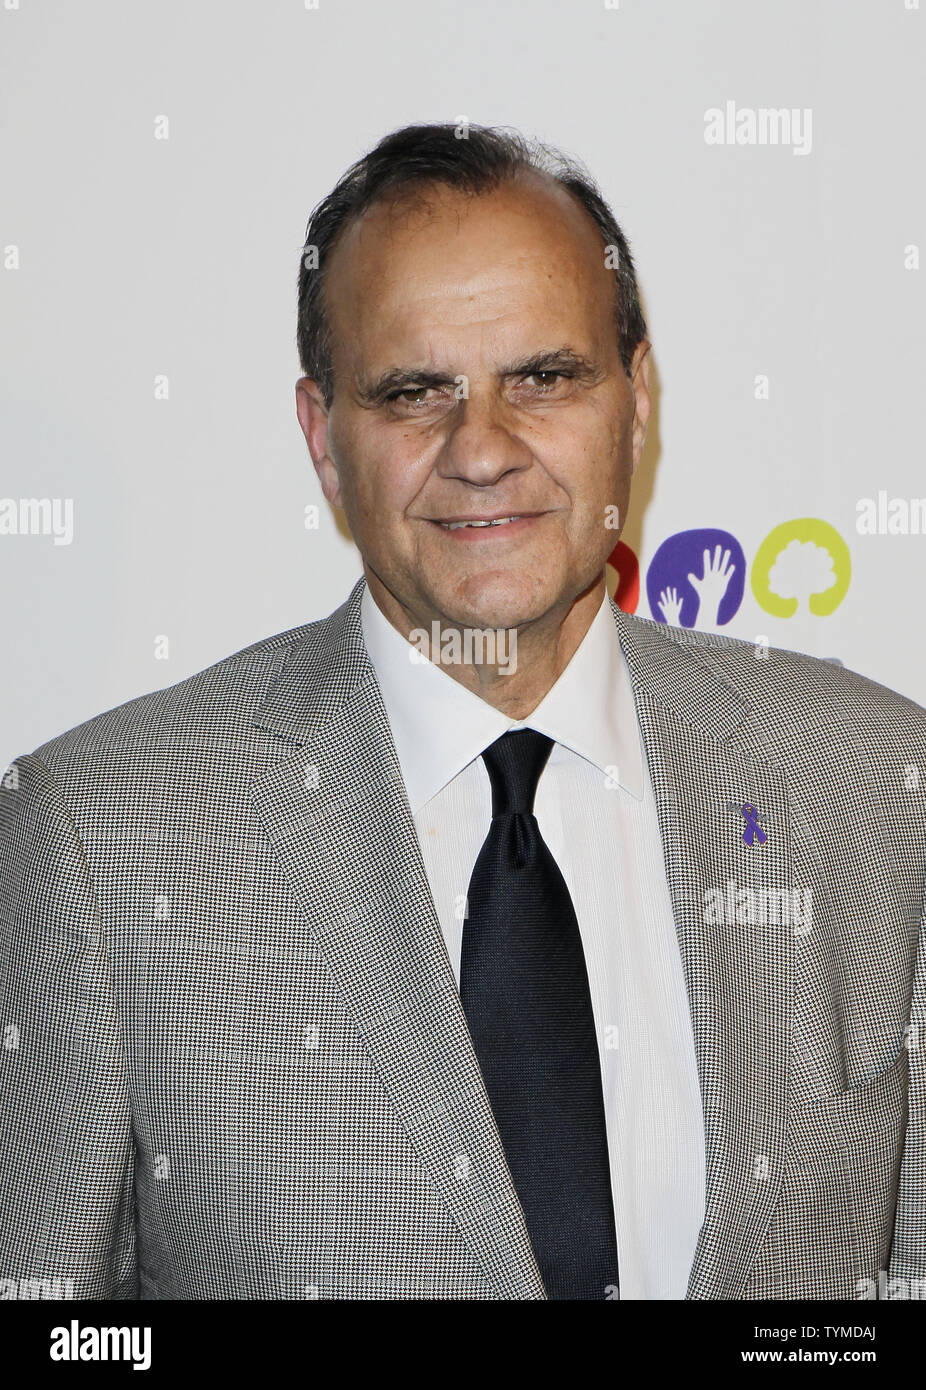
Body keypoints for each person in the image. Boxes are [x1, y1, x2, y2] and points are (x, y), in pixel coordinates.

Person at [1, 123, 924, 1302]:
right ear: (324, 442)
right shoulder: (98, 834)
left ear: (634, 403)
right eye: (412, 392)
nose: (481, 450)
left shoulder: (877, 786)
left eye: (543, 377)